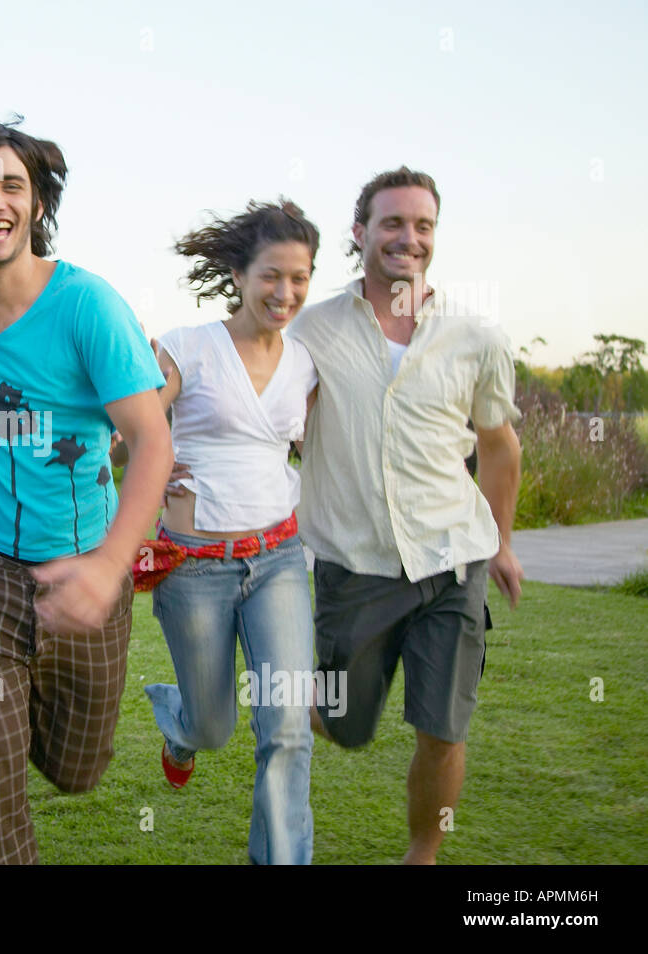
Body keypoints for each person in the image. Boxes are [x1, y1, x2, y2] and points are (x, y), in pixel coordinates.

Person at [0, 114, 172, 864]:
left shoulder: (89, 305)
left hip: (87, 562)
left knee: (75, 769)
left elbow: (151, 440)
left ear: (38, 206)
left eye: (12, 185)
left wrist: (108, 569)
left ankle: (42, 720)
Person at [287, 166, 524, 865]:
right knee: (343, 724)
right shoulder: (311, 330)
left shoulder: (475, 337)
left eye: (423, 226)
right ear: (359, 233)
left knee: (442, 728)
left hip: (452, 561)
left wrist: (502, 544)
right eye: (393, 223)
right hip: (353, 567)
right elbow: (272, 423)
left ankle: (421, 857)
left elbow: (499, 445)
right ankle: (245, 702)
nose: (408, 239)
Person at [132, 200, 321, 865]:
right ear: (239, 275)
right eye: (272, 276)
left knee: (288, 730)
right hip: (194, 569)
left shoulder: (304, 363)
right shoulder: (187, 347)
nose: (286, 293)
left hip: (278, 561)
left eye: (300, 278)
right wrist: (147, 461)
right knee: (215, 728)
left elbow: (323, 449)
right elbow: (128, 427)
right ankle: (179, 719)